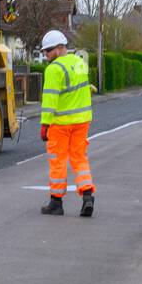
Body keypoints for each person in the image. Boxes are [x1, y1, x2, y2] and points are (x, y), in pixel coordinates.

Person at [38, 30, 94, 217]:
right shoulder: (79, 63)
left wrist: (45, 124)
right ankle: (87, 195)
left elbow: (50, 100)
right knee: (79, 158)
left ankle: (56, 202)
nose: (46, 55)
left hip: (60, 124)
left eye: (48, 51)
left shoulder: (53, 69)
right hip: (82, 121)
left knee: (58, 160)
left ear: (58, 49)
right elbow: (82, 89)